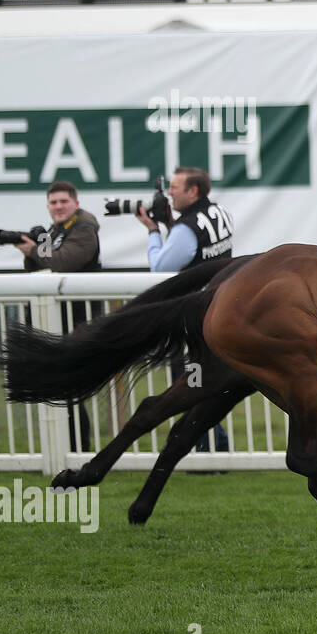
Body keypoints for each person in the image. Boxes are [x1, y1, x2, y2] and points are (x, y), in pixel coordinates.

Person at [136, 167, 234, 454]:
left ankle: (209, 448)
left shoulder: (185, 228)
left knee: (189, 384)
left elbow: (160, 267)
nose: (169, 193)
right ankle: (217, 445)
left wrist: (154, 232)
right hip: (218, 307)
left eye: (175, 188)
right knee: (209, 381)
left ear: (193, 191)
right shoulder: (218, 212)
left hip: (193, 317)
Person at [16, 181, 101, 451]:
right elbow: (42, 266)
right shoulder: (58, 229)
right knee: (62, 385)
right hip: (60, 317)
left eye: (63, 201)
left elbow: (63, 262)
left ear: (75, 203)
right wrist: (33, 250)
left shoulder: (85, 226)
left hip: (77, 317)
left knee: (70, 387)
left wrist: (34, 250)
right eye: (53, 203)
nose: (58, 207)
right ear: (48, 206)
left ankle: (78, 449)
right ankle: (67, 448)